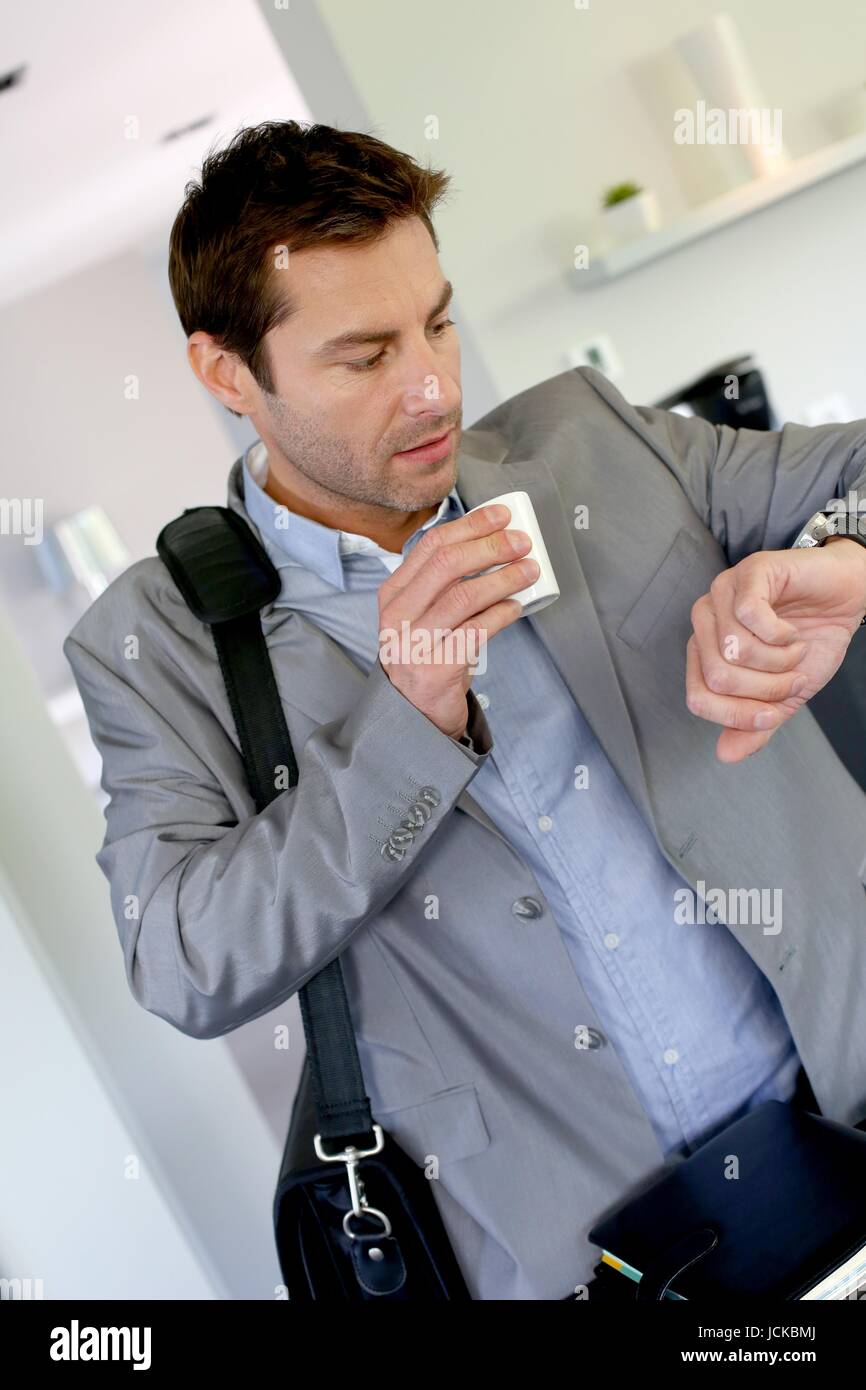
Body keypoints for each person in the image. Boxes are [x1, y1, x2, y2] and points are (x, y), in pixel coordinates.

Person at [63, 121, 866, 1300]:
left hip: (846, 1124)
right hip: (590, 1259)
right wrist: (408, 723)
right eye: (365, 354)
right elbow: (187, 960)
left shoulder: (590, 446)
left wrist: (845, 561)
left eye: (436, 321)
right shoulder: (154, 645)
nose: (432, 384)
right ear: (228, 373)